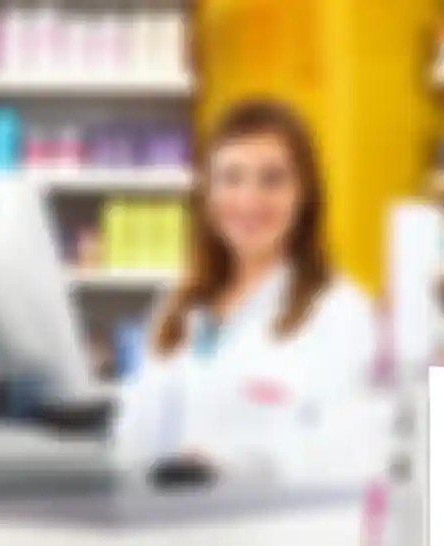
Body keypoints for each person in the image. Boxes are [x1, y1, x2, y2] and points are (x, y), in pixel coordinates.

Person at [115, 99, 381, 484]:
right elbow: (132, 431)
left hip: (271, 533)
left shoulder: (339, 311)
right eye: (231, 178)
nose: (248, 200)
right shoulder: (177, 301)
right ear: (208, 192)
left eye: (272, 180)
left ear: (304, 194)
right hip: (160, 530)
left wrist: (230, 466)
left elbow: (349, 451)